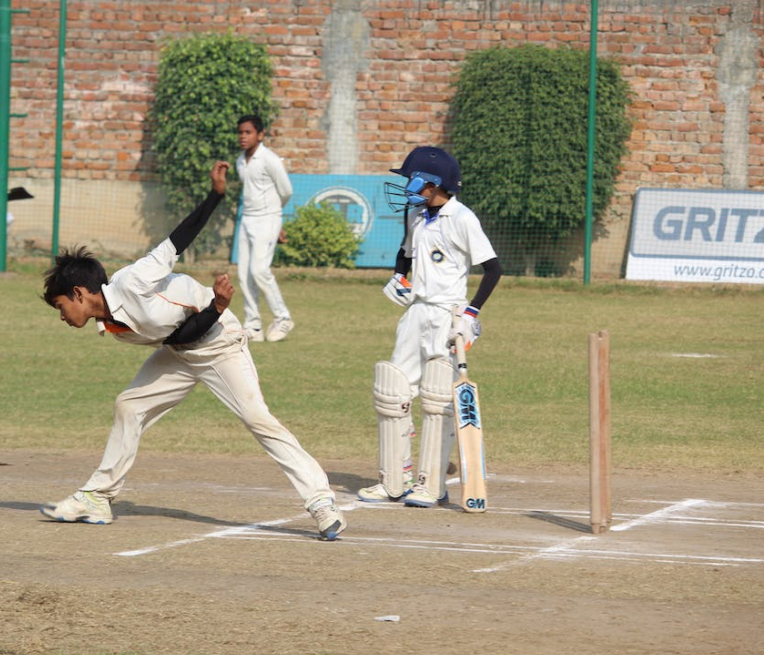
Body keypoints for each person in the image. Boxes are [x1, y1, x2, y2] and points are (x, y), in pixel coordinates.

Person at [39, 160, 347, 541]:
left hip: (219, 339)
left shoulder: (132, 282)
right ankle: (97, 498)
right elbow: (180, 337)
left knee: (256, 417)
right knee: (130, 405)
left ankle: (321, 501)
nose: (62, 317)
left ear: (78, 294)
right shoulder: (111, 326)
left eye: (60, 307)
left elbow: (178, 240)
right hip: (183, 348)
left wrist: (215, 197)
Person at [359, 146, 503, 507]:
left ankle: (433, 483)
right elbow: (405, 252)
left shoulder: (462, 218)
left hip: (447, 315)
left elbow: (493, 269)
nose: (407, 184)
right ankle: (394, 479)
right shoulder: (417, 215)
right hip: (416, 313)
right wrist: (398, 275)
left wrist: (470, 314)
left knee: (438, 397)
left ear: (432, 183)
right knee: (395, 393)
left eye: (412, 178)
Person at [234, 114, 295, 342]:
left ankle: (283, 318)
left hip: (268, 218)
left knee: (260, 270)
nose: (243, 137)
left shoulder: (269, 159)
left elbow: (286, 190)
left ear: (260, 135)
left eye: (248, 132)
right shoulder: (241, 160)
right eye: (240, 132)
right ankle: (253, 326)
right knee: (244, 273)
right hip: (247, 219)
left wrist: (275, 219)